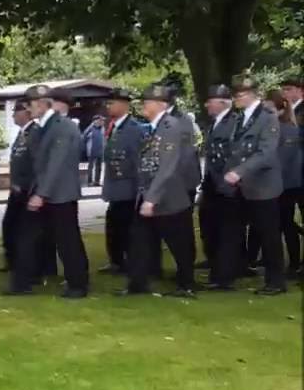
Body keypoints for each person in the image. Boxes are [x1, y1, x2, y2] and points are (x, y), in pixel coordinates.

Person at [8, 85, 90, 298]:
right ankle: (22, 282)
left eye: (31, 104)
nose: (28, 108)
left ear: (43, 104)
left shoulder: (62, 127)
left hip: (60, 195)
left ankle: (78, 284)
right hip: (43, 193)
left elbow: (56, 163)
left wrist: (41, 194)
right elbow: (35, 164)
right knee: (27, 237)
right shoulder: (40, 129)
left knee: (67, 241)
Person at [121, 83, 199, 297]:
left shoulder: (170, 126)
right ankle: (137, 285)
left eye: (147, 103)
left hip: (168, 198)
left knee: (179, 244)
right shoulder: (155, 127)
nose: (143, 106)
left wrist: (151, 199)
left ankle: (187, 285)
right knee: (139, 241)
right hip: (150, 194)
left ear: (160, 104)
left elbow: (167, 165)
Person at [218, 76, 286, 295]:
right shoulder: (240, 118)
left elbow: (265, 154)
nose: (235, 99)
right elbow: (235, 149)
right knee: (230, 231)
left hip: (262, 186)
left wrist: (239, 171)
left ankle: (276, 282)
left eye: (238, 95)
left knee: (268, 235)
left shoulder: (267, 118)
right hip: (240, 187)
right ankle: (225, 277)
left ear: (250, 95)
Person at [100, 89, 144, 274]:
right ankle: (116, 261)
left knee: (126, 228)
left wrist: (139, 190)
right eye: (108, 103)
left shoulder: (133, 129)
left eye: (113, 103)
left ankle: (128, 262)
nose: (108, 106)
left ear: (125, 105)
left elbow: (137, 161)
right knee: (113, 226)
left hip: (128, 188)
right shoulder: (114, 127)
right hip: (116, 188)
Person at [198, 85, 237, 281]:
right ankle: (216, 269)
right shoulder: (214, 123)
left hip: (227, 187)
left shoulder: (234, 124)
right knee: (209, 228)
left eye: (210, 101)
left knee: (226, 232)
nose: (206, 105)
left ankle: (224, 275)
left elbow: (233, 155)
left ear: (223, 102)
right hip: (211, 185)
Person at [0, 100, 36, 274]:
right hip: (17, 190)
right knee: (9, 225)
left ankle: (24, 265)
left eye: (17, 111)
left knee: (22, 228)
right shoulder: (22, 134)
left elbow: (34, 164)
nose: (14, 115)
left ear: (26, 112)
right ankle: (12, 261)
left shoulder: (33, 133)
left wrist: (25, 186)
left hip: (26, 190)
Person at [271, 90, 303, 276]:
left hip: (287, 185)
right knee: (282, 223)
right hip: (279, 183)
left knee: (287, 224)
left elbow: (283, 161)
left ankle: (294, 263)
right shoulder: (278, 127)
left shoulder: (289, 129)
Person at [82, 117, 106, 187]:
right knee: (91, 167)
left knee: (99, 167)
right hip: (91, 150)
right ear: (97, 121)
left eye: (103, 121)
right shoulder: (91, 128)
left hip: (100, 150)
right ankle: (89, 181)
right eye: (101, 121)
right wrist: (91, 125)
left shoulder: (102, 128)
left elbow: (104, 138)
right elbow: (84, 135)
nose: (103, 122)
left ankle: (97, 181)